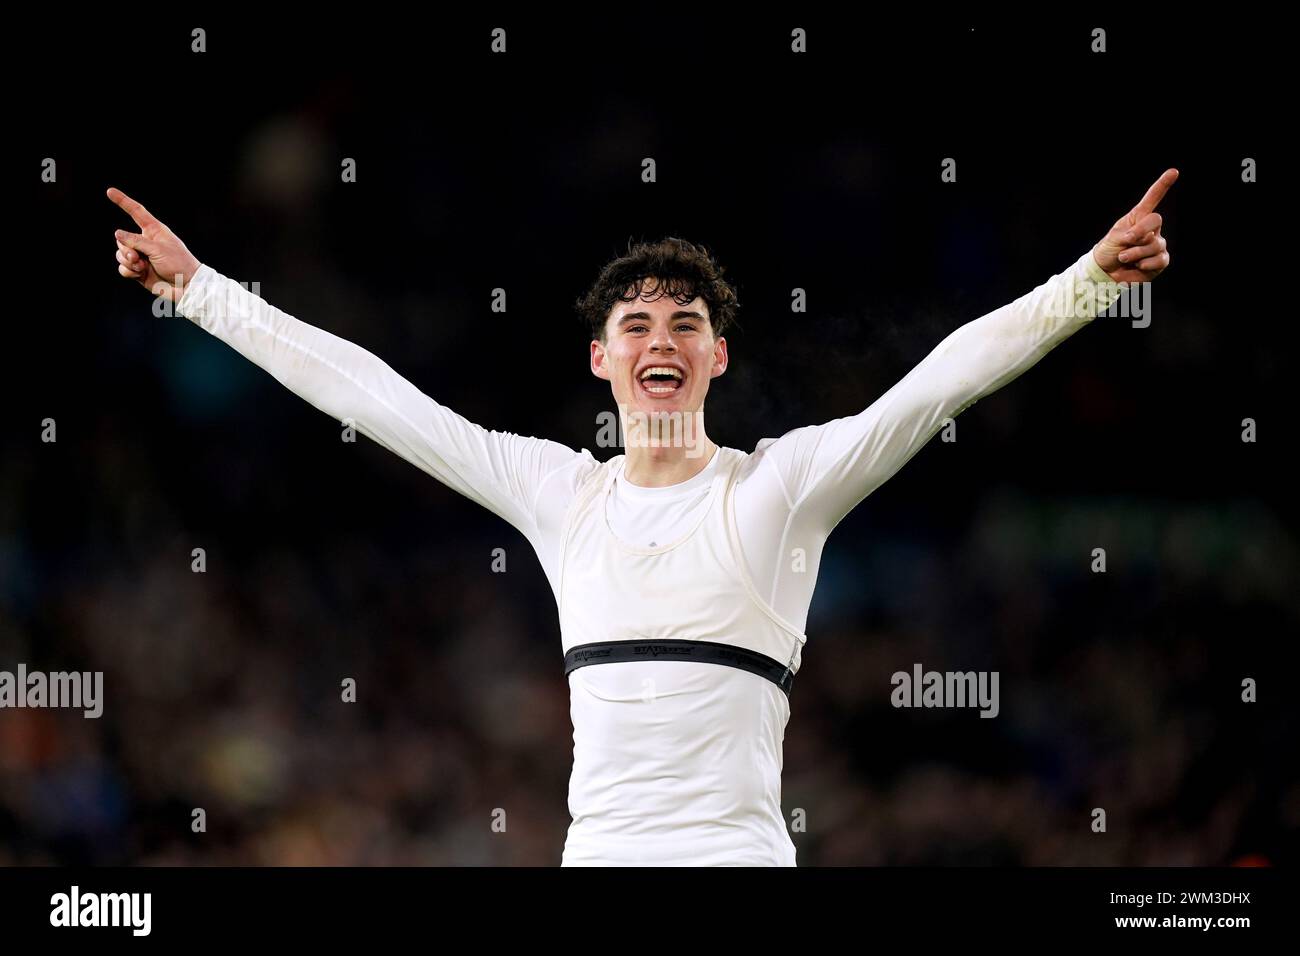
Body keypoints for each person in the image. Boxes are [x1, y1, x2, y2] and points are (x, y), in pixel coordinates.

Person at [107, 169, 1176, 865]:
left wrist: (1085, 282)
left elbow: (937, 384)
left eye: (685, 322)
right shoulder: (559, 493)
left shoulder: (780, 487)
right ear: (602, 357)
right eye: (635, 322)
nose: (659, 336)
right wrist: (203, 290)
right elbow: (377, 398)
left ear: (716, 356)